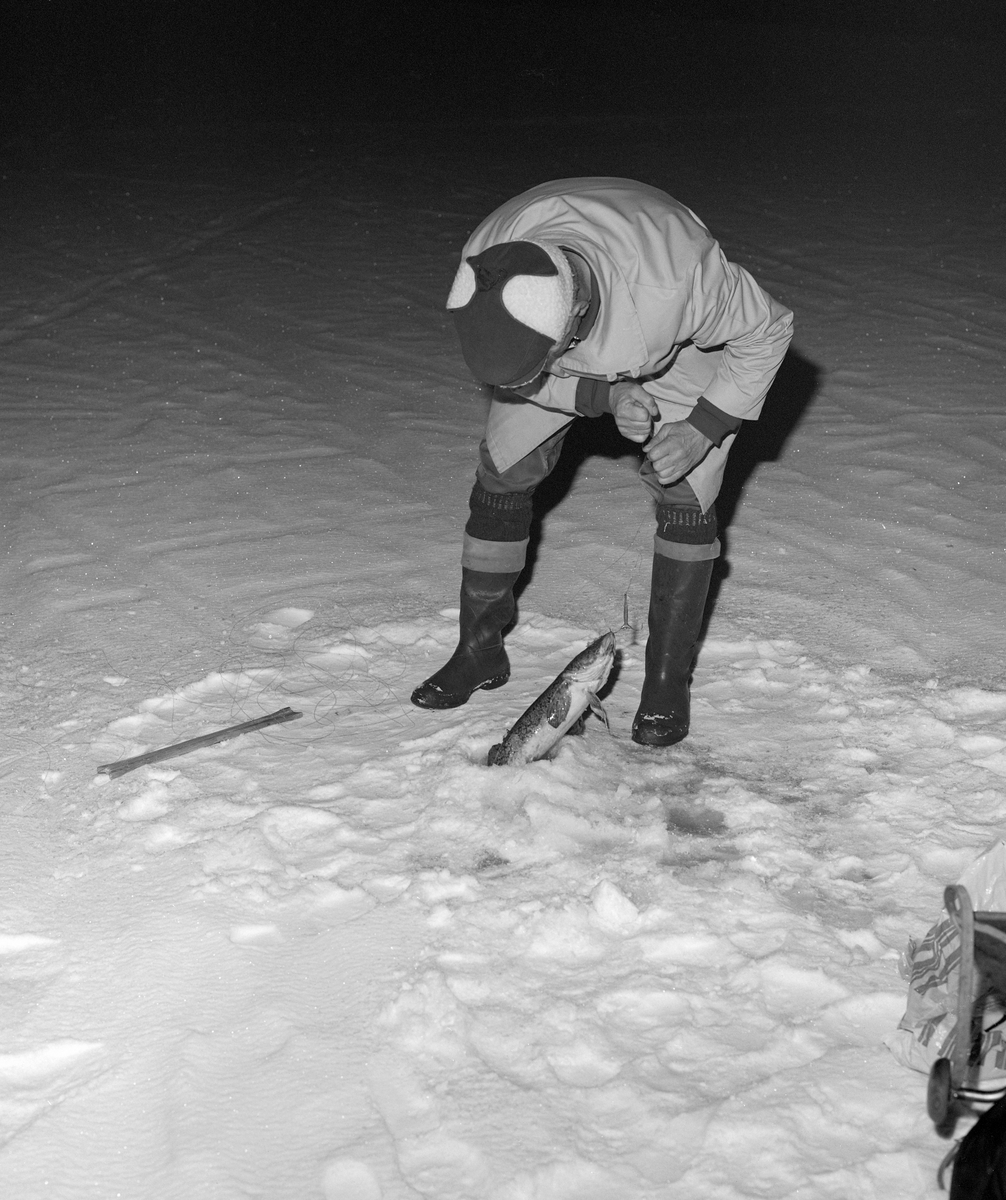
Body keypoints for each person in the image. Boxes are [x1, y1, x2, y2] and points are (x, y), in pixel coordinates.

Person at [411, 177, 793, 747]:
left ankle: (667, 681)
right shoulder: (490, 258)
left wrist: (702, 427)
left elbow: (769, 330)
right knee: (502, 472)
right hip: (552, 350)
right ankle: (478, 651)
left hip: (671, 342)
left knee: (686, 492)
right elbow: (525, 376)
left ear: (577, 317)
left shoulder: (679, 279)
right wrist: (604, 396)